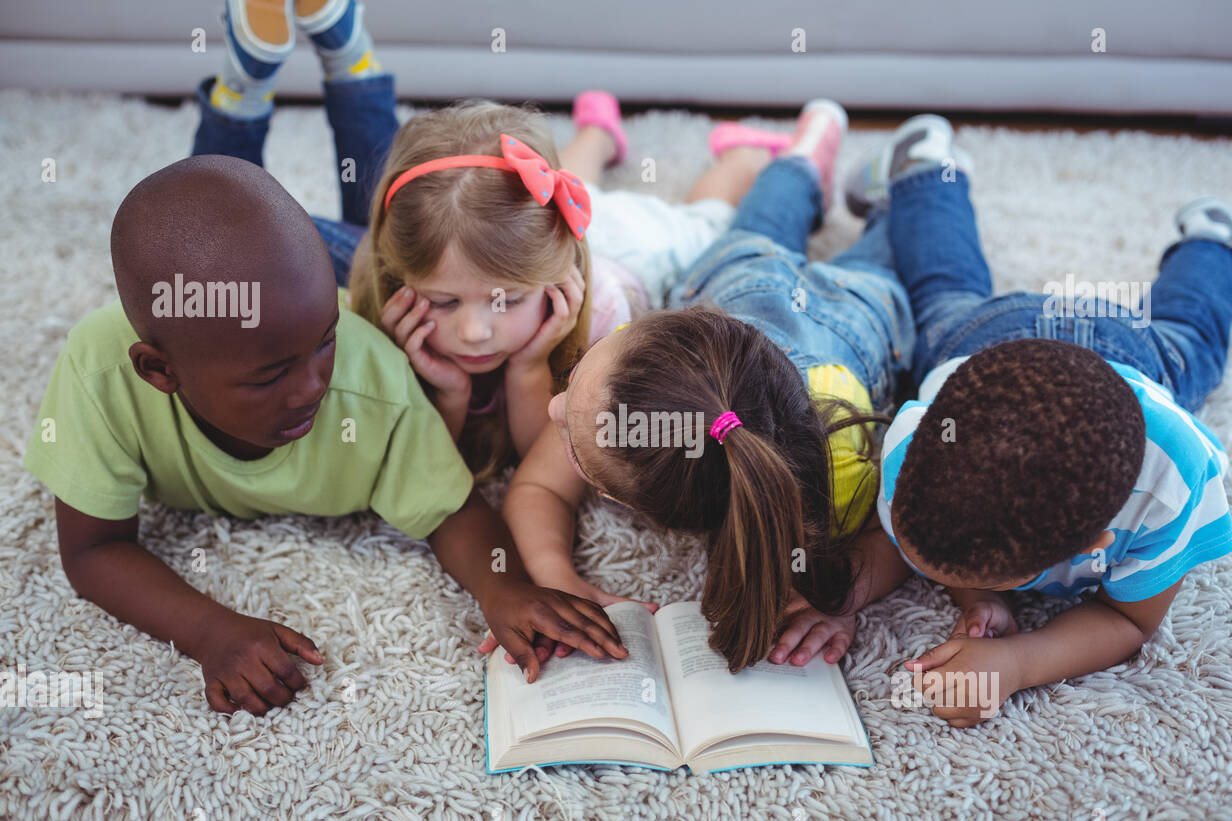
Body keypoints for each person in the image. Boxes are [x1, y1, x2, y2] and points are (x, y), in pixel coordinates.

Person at [22, 154, 626, 717]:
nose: (313, 385)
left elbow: (453, 508)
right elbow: (92, 550)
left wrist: (503, 587)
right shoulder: (98, 374)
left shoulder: (370, 378)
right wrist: (209, 630)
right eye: (270, 375)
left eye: (324, 342)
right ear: (160, 371)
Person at [191, 0, 789, 478]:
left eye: (502, 302)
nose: (473, 332)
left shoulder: (605, 312)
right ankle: (330, 68)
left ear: (553, 280)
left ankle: (730, 154)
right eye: (446, 302)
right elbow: (418, 471)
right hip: (504, 237)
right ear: (400, 273)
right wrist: (447, 395)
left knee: (706, 218)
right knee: (221, 240)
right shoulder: (384, 290)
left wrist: (530, 369)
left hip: (626, 243)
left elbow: (548, 467)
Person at [852, 114, 1232, 727]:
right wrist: (981, 594)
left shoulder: (1172, 485)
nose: (928, 576)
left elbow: (1128, 620)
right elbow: (917, 539)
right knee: (942, 293)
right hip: (984, 345)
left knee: (1193, 341)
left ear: (1095, 550)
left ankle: (1217, 241)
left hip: (1128, 352)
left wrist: (1018, 662)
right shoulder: (915, 446)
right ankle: (925, 171)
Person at [486, 99, 918, 673]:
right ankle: (813, 167)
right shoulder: (617, 412)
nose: (555, 403)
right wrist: (558, 579)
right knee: (774, 224)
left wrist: (843, 599)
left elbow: (904, 532)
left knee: (865, 235)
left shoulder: (836, 466)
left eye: (583, 365)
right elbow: (536, 490)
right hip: (749, 283)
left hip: (847, 315)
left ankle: (881, 172)